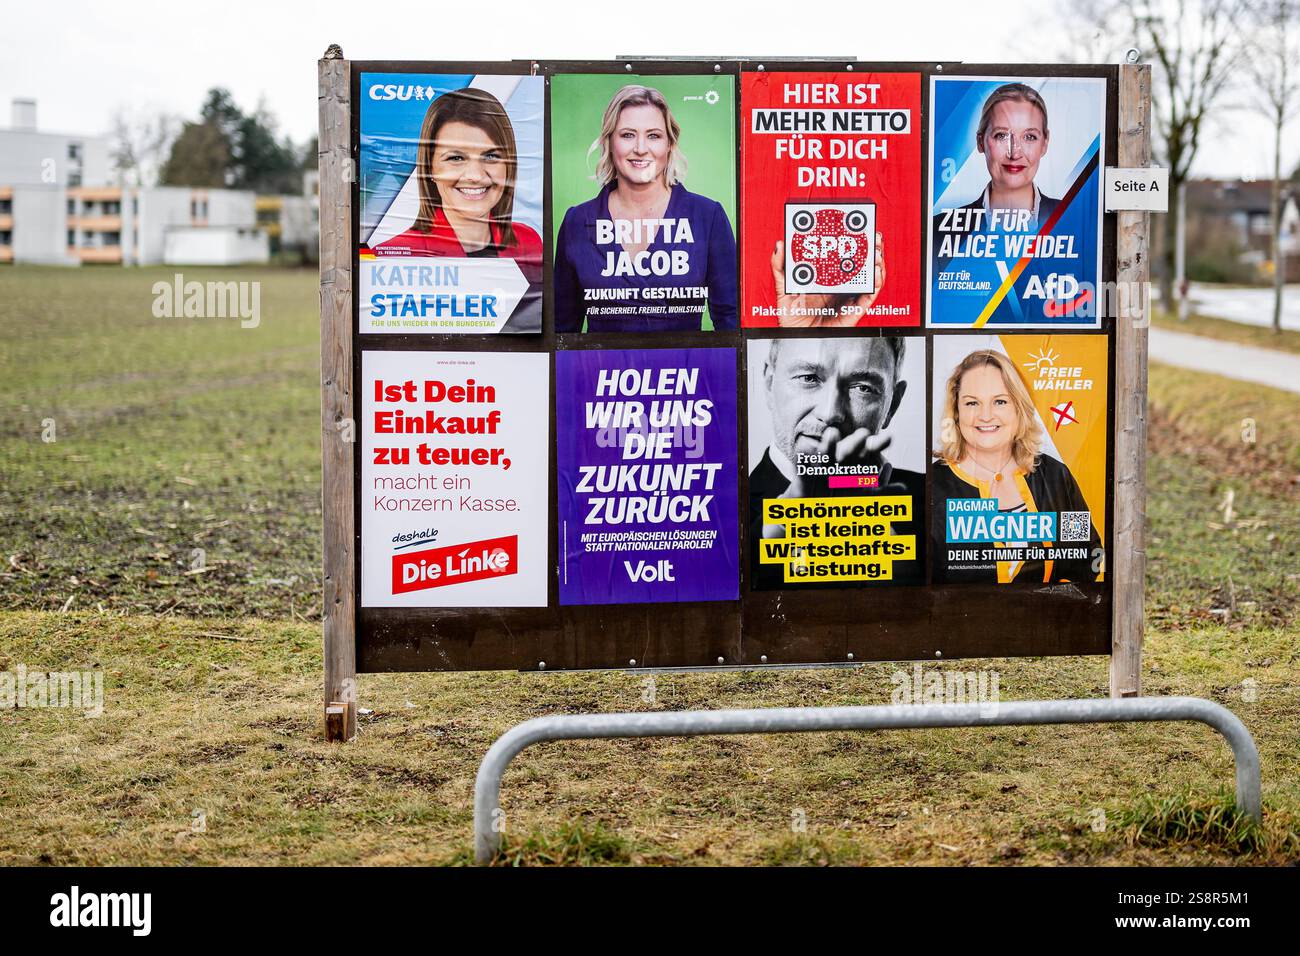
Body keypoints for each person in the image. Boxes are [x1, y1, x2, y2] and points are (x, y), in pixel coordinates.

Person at [554, 85, 737, 332]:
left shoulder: (707, 217)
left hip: (687, 370)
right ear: (610, 141)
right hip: (601, 372)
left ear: (670, 144)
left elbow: (731, 324)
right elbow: (562, 330)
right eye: (628, 135)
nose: (641, 148)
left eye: (653, 135)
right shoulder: (577, 221)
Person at [749, 336, 924, 588]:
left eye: (863, 387)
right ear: (768, 383)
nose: (830, 413)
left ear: (892, 404)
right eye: (808, 378)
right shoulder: (720, 508)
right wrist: (780, 526)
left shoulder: (933, 503)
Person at [367, 87, 542, 331]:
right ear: (430, 169)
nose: (475, 176)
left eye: (491, 156)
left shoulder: (530, 243)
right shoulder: (393, 257)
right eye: (456, 158)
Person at [931, 349, 1100, 584]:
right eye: (972, 403)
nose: (986, 416)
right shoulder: (931, 486)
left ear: (1018, 408)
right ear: (957, 412)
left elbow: (1086, 556)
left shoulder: (1054, 476)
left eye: (1000, 401)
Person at [931, 82, 1057, 265]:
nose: (1015, 153)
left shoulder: (1072, 220)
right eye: (1001, 136)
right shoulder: (939, 231)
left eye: (1029, 137)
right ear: (980, 142)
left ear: (1044, 143)